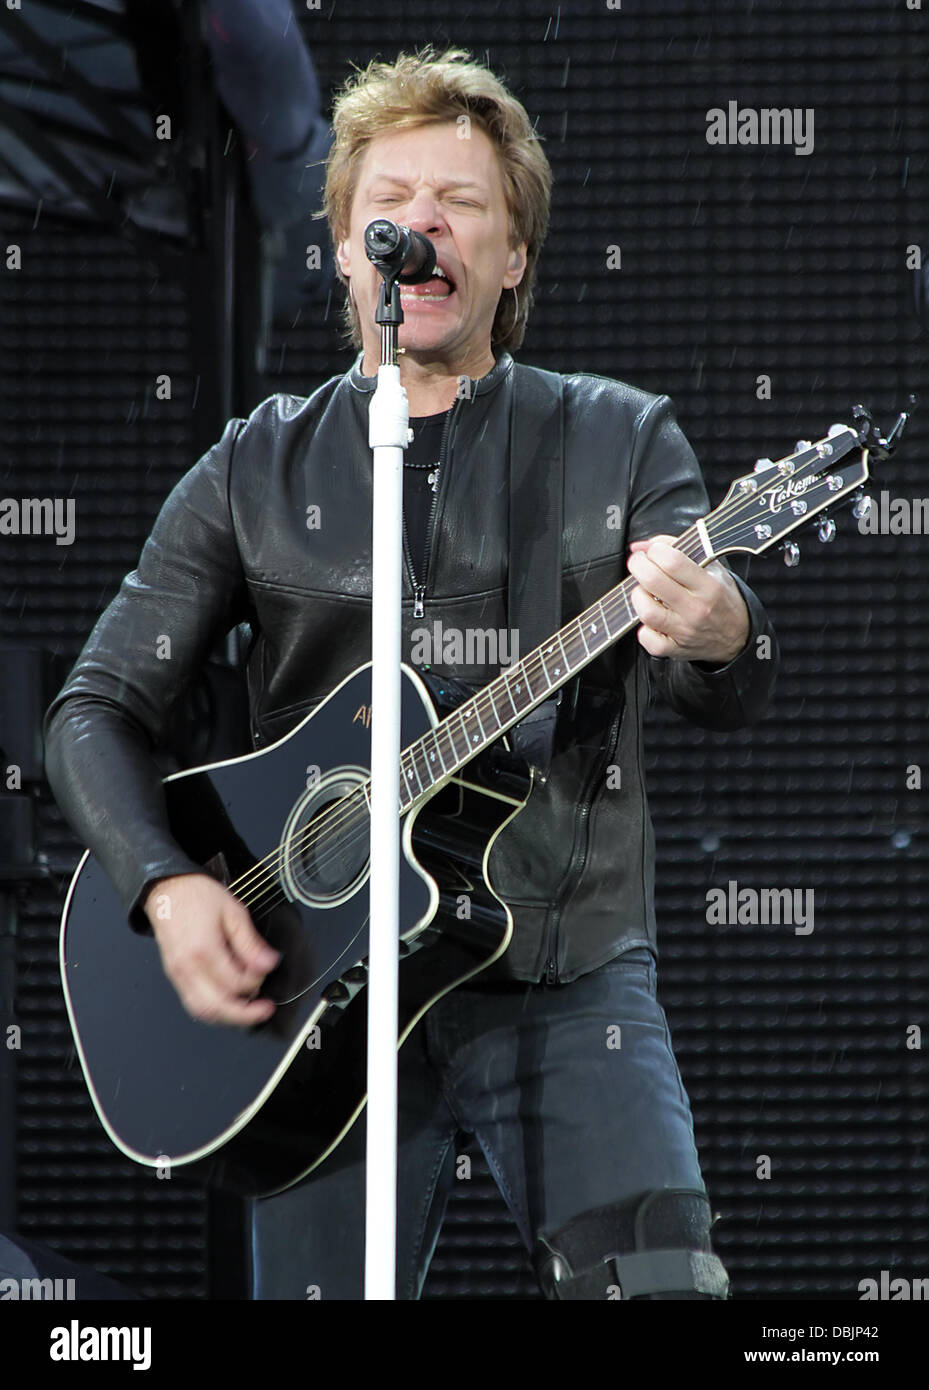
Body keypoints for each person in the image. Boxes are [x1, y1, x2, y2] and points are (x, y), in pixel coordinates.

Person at [44, 46, 779, 1300]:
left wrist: (717, 626)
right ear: (342, 246)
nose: (421, 226)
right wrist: (164, 887)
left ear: (512, 259)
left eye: (463, 205)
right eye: (391, 201)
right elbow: (92, 709)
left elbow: (720, 674)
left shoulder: (616, 434)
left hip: (559, 968)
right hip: (321, 997)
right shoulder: (252, 466)